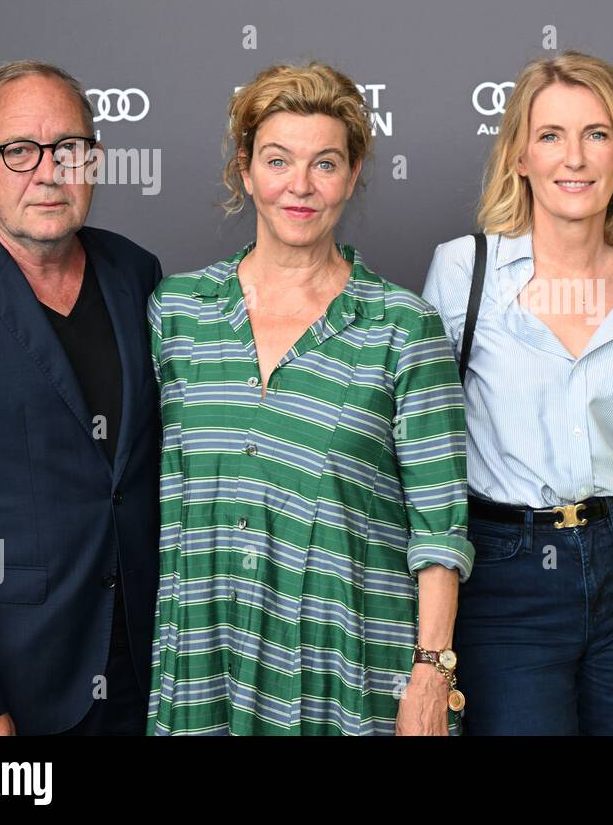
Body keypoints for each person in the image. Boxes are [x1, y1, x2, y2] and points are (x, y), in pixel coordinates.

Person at [145, 62, 472, 735]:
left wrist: (432, 673)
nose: (300, 186)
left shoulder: (402, 326)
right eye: (278, 160)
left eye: (325, 164)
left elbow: (440, 531)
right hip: (208, 662)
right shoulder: (176, 314)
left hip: (351, 669)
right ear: (244, 169)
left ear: (352, 176)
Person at [422, 51, 613, 735]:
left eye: (597, 134)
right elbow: (427, 449)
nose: (575, 157)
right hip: (505, 576)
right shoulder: (462, 272)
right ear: (519, 157)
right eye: (551, 136)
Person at [0, 60, 163, 735]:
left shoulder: (135, 272)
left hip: (150, 673)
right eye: (18, 151)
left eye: (69, 149)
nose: (49, 172)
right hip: (14, 689)